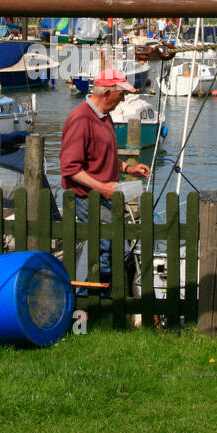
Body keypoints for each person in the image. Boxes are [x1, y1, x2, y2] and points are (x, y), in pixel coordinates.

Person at [59, 68, 151, 283]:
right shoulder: (81, 118)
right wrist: (103, 188)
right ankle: (95, 295)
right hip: (86, 197)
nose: (124, 99)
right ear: (107, 93)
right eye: (122, 94)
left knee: (113, 244)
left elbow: (102, 156)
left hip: (102, 195)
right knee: (113, 243)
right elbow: (70, 168)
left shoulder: (104, 116)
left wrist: (128, 169)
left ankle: (104, 294)